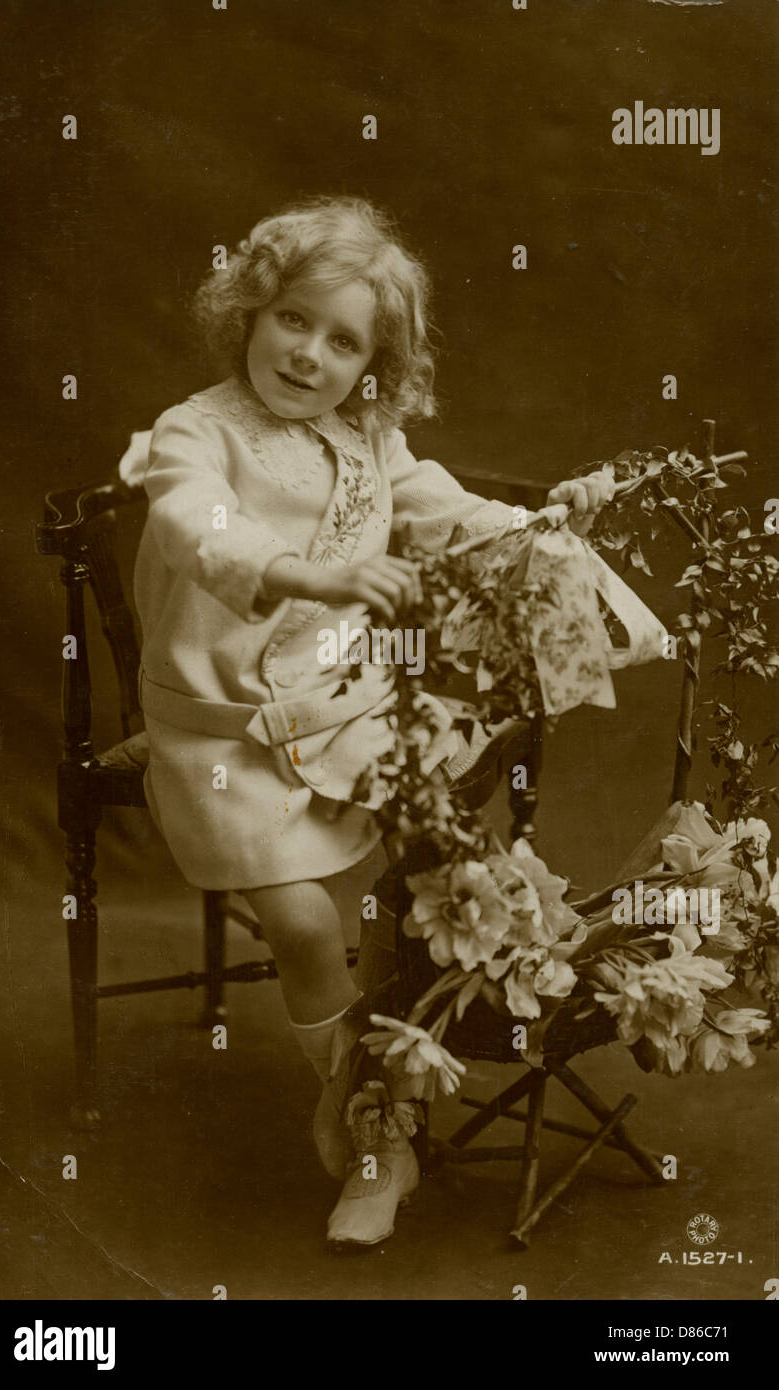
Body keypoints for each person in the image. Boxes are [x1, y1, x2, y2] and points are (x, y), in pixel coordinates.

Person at [131, 195, 637, 1248]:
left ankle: (386, 1111)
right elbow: (194, 529)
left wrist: (541, 523)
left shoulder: (369, 438)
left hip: (348, 716)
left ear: (373, 367)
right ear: (248, 313)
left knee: (448, 876)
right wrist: (319, 573)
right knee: (309, 921)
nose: (309, 354)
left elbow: (445, 508)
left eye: (343, 340)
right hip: (224, 742)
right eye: (291, 320)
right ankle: (364, 1096)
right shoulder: (196, 433)